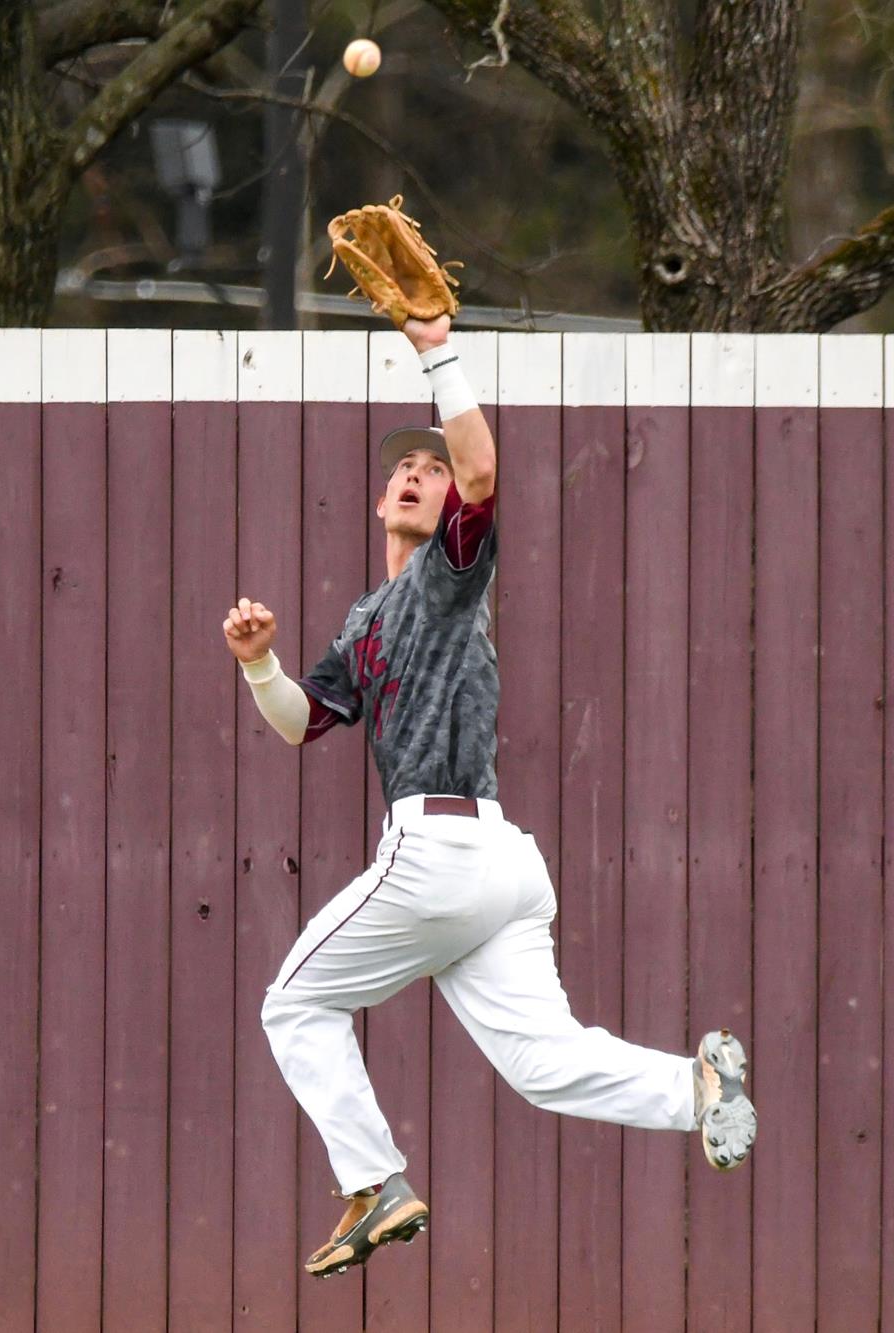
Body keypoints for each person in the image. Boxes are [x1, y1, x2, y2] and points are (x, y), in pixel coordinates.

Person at [220, 313, 756, 1279]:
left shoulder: (446, 576)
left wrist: (437, 348)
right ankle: (697, 1087)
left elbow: (482, 471)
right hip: (503, 868)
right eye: (403, 466)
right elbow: (304, 721)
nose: (417, 474)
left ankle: (375, 1182)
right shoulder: (368, 617)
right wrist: (260, 664)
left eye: (431, 467)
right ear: (379, 497)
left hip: (440, 850)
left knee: (292, 1005)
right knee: (543, 1063)